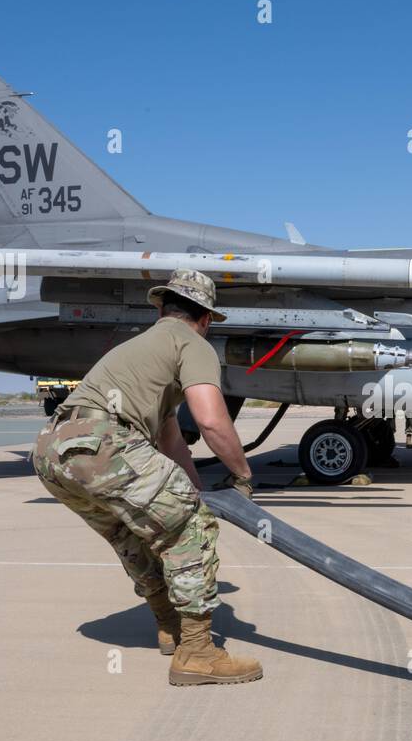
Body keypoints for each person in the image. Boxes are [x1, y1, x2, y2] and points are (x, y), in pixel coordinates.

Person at [32, 269, 260, 686]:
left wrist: (193, 490)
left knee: (134, 534)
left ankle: (169, 626)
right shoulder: (192, 343)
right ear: (206, 318)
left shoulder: (142, 347)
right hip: (104, 443)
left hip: (53, 450)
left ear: (162, 309)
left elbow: (171, 440)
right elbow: (210, 420)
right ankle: (198, 654)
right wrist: (242, 473)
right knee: (192, 530)